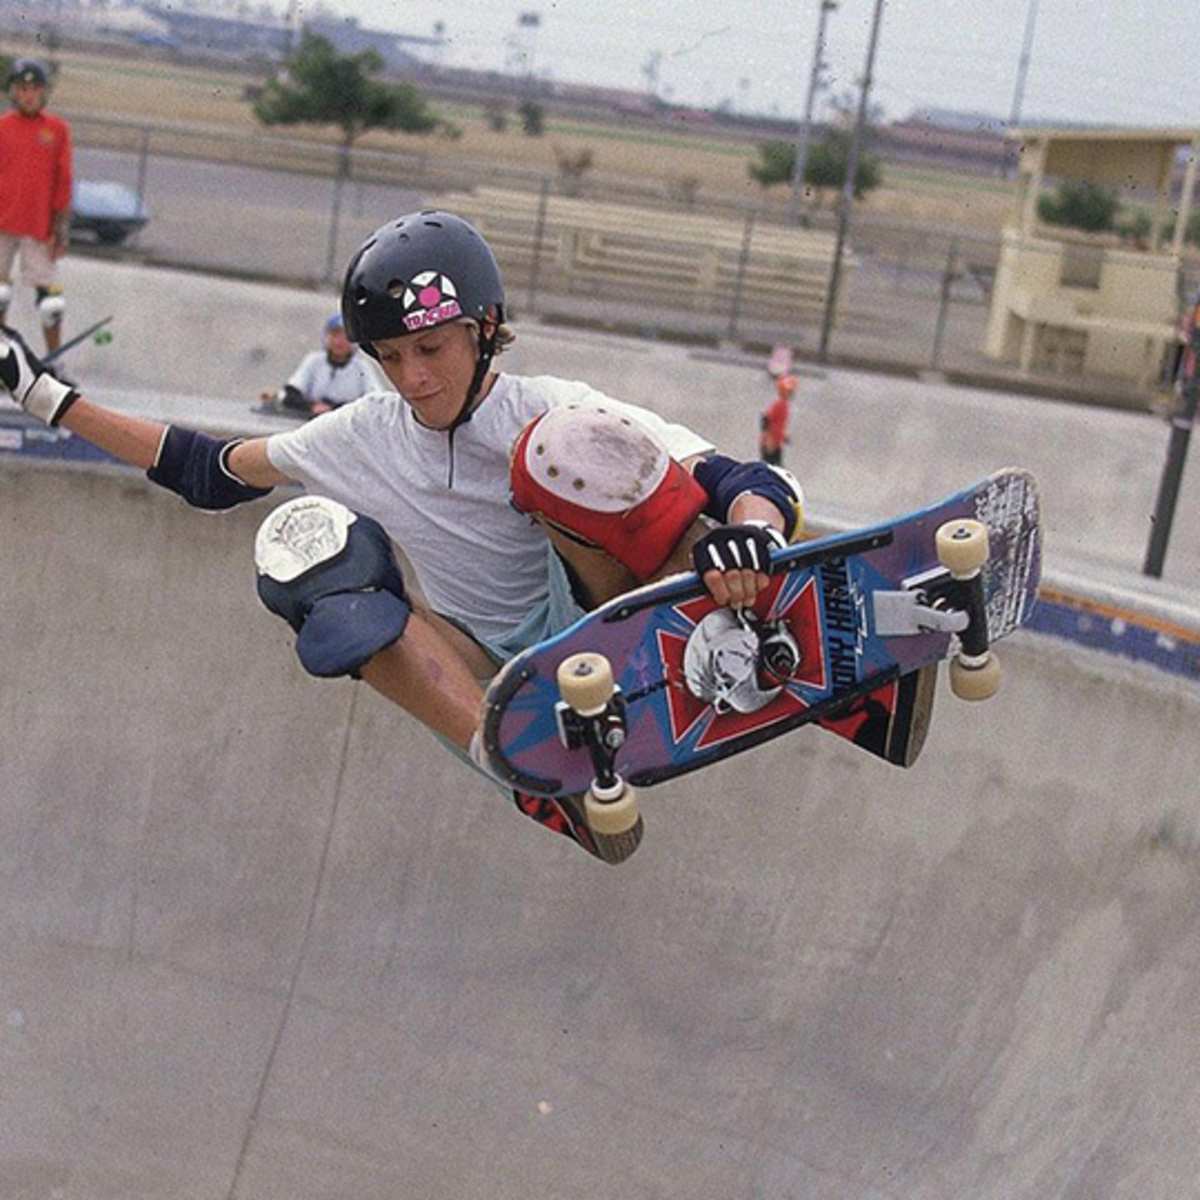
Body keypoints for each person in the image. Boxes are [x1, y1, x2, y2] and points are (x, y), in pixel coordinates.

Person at [0, 210, 804, 864]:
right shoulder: (360, 435)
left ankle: (738, 623)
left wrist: (752, 537)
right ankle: (531, 774)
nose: (414, 378)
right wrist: (44, 398)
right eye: (390, 358)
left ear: (485, 330)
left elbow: (740, 481)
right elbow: (205, 471)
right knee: (312, 559)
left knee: (562, 453)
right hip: (493, 679)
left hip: (610, 614)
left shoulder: (547, 403)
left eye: (431, 349)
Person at [0, 59, 72, 355]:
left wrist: (61, 227)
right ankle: (3, 362)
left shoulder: (56, 130)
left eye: (34, 89)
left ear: (43, 93)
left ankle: (54, 362)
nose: (28, 95)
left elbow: (63, 179)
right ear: (13, 93)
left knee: (51, 303)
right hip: (3, 222)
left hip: (38, 225)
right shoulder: (3, 127)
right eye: (22, 89)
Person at [258, 313, 382, 418]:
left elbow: (375, 401)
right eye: (335, 335)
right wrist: (312, 406)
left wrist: (332, 408)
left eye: (346, 336)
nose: (339, 341)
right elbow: (292, 392)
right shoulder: (314, 360)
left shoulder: (362, 367)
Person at [760, 350, 797, 467]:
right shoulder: (779, 405)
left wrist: (783, 436)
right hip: (771, 443)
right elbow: (766, 420)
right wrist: (769, 440)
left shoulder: (783, 405)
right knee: (772, 468)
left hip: (776, 442)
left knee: (777, 468)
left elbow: (778, 423)